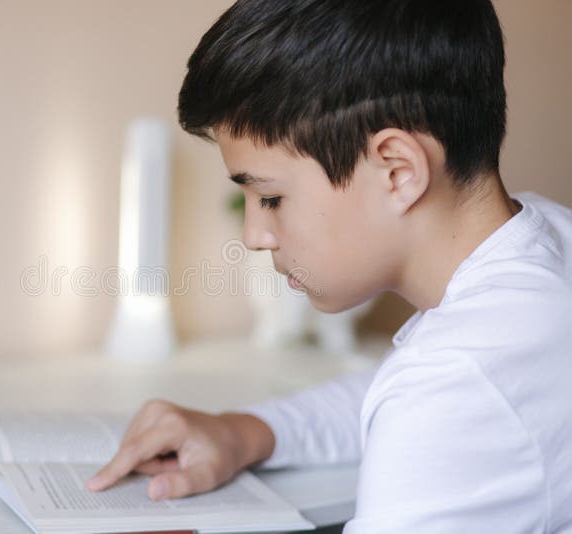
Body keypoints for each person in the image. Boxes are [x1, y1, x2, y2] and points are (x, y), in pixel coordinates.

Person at [87, 0, 572, 531]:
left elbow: (434, 393)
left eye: (269, 198)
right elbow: (389, 391)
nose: (254, 236)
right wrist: (244, 431)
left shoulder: (457, 381)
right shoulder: (545, 242)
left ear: (397, 172)